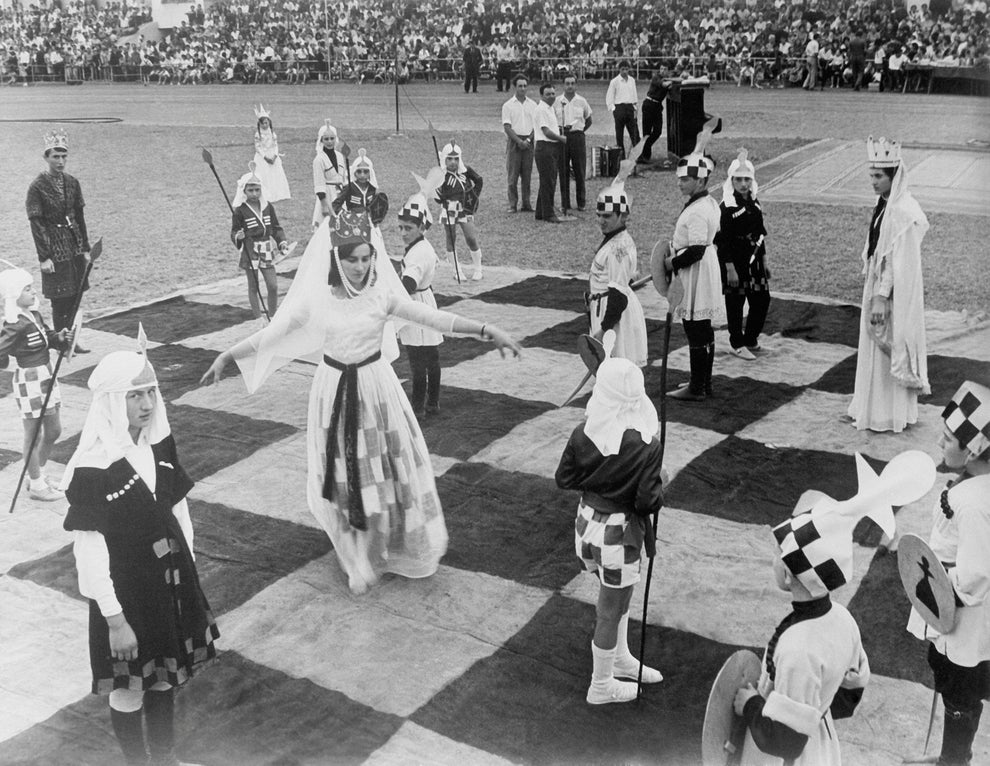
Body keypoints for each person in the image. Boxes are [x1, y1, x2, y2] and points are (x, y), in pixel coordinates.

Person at [201, 209, 522, 595]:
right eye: (352, 259)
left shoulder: (382, 296)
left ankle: (376, 546)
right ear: (337, 258)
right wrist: (227, 356)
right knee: (343, 472)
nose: (360, 266)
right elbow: (272, 334)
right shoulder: (317, 299)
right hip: (334, 390)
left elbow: (434, 318)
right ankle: (355, 550)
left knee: (380, 472)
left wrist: (488, 330)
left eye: (367, 257)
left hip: (375, 389)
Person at [62, 348, 219, 766]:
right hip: (126, 597)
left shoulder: (159, 447)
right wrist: (115, 620)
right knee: (129, 686)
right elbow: (89, 551)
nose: (147, 404)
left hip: (167, 586)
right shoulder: (94, 468)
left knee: (164, 679)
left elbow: (179, 512)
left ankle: (164, 758)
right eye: (134, 395)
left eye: (150, 391)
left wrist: (186, 577)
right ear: (112, 400)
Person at [730, 452, 909, 765]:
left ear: (788, 573)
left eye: (778, 554)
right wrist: (815, 706)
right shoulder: (843, 619)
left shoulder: (799, 649)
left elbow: (784, 741)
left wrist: (752, 705)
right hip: (821, 745)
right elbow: (852, 692)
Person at [555, 330, 665, 705]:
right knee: (609, 609)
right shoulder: (648, 444)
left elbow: (564, 478)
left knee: (618, 599)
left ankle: (620, 657)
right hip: (621, 534)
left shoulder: (582, 431)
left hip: (587, 524)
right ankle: (600, 685)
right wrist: (659, 482)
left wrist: (599, 478)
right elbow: (649, 501)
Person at [905, 381, 990, 766]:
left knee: (960, 691)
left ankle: (955, 760)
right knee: (958, 689)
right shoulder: (972, 485)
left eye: (948, 438)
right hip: (960, 613)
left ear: (973, 449)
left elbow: (975, 576)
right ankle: (951, 757)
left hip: (965, 620)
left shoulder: (972, 503)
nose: (940, 444)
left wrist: (935, 592)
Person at [847, 136, 929, 433]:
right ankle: (869, 408)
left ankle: (887, 413)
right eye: (871, 175)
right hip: (876, 282)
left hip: (890, 292)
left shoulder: (902, 210)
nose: (873, 181)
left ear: (894, 177)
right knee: (873, 348)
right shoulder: (884, 203)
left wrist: (881, 297)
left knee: (887, 346)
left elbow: (898, 260)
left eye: (878, 176)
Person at [0, 267, 73, 502]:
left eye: (31, 287)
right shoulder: (14, 324)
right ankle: (38, 485)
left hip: (46, 375)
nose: (33, 292)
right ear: (13, 295)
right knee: (33, 434)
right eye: (27, 289)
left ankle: (37, 476)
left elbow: (47, 337)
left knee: (54, 430)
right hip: (29, 379)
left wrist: (59, 338)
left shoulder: (34, 315)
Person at [661, 123, 722, 402]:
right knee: (702, 328)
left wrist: (672, 263)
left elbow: (696, 250)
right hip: (702, 269)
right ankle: (703, 382)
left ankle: (697, 386)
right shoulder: (708, 203)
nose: (679, 182)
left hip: (696, 270)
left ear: (699, 182)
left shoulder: (698, 210)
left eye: (685, 179)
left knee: (696, 329)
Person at [26, 128, 91, 351]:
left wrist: (85, 247)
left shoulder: (73, 182)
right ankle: (61, 340)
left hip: (73, 243)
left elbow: (79, 217)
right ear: (46, 158)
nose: (61, 161)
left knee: (75, 294)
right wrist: (44, 257)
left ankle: (71, 339)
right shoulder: (37, 186)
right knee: (60, 297)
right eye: (56, 156)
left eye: (64, 156)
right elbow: (37, 223)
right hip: (54, 245)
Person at [587, 166, 647, 367]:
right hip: (602, 308)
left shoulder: (618, 248)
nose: (601, 221)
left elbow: (618, 297)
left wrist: (604, 330)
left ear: (623, 216)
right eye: (599, 215)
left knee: (617, 371)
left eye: (607, 217)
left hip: (614, 319)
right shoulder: (613, 238)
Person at [715, 148, 771, 360]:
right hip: (734, 260)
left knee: (762, 299)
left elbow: (760, 233)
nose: (743, 184)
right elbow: (722, 240)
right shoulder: (726, 207)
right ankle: (736, 342)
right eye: (738, 180)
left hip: (754, 259)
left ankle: (751, 338)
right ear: (732, 181)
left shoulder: (754, 202)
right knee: (736, 302)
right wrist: (729, 268)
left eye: (747, 179)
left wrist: (764, 260)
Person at [396, 182, 443, 417]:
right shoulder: (423, 246)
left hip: (416, 304)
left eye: (408, 228)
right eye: (400, 228)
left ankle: (418, 410)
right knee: (431, 357)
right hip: (426, 300)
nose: (403, 233)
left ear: (421, 227)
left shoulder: (417, 253)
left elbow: (408, 285)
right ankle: (432, 403)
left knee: (419, 361)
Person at [231, 162, 288, 320]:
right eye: (250, 190)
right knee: (253, 286)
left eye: (257, 189)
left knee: (273, 285)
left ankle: (273, 316)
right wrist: (238, 237)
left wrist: (281, 241)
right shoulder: (240, 210)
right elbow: (234, 230)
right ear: (244, 190)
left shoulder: (267, 207)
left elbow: (276, 227)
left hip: (267, 249)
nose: (254, 193)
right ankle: (257, 319)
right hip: (251, 250)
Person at [434, 142, 485, 280]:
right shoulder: (441, 175)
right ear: (444, 159)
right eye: (449, 159)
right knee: (451, 239)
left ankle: (478, 268)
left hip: (465, 209)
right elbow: (438, 199)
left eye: (456, 158)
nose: (453, 162)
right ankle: (456, 270)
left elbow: (479, 180)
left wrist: (473, 197)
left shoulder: (466, 170)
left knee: (471, 238)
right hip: (448, 210)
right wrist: (437, 190)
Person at [556, 74, 593, 213]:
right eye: (567, 83)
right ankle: (565, 203)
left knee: (580, 170)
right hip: (562, 137)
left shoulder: (582, 101)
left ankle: (581, 202)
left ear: (576, 85)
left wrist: (580, 131)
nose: (570, 86)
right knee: (563, 170)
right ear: (563, 85)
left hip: (577, 137)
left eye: (572, 83)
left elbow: (588, 120)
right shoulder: (557, 101)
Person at [502, 74, 536, 214]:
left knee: (527, 175)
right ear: (514, 87)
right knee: (512, 176)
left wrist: (528, 140)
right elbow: (507, 127)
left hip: (529, 142)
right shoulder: (508, 105)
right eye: (520, 86)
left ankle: (526, 203)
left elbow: (536, 126)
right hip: (514, 142)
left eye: (524, 86)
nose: (522, 88)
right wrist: (518, 141)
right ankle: (513, 204)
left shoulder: (533, 105)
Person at [534, 82, 567, 224]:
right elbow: (546, 131)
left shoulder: (550, 108)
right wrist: (561, 138)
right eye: (548, 94)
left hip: (551, 147)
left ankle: (540, 211)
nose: (551, 96)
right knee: (549, 181)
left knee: (547, 180)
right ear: (542, 95)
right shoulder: (541, 109)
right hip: (545, 147)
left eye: (553, 93)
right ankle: (548, 213)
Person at [251, 104, 291, 203]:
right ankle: (266, 194)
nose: (265, 125)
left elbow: (275, 145)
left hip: (272, 155)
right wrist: (265, 157)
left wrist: (275, 155)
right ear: (259, 124)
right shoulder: (258, 134)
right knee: (265, 174)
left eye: (266, 123)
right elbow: (258, 147)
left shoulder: (272, 133)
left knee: (275, 175)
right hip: (263, 156)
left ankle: (277, 193)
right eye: (263, 123)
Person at [312, 119, 347, 229]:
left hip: (340, 194)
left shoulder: (340, 156)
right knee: (326, 225)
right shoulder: (319, 159)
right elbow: (319, 183)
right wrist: (324, 205)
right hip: (327, 194)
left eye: (332, 138)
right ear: (321, 140)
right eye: (326, 139)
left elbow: (344, 177)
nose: (329, 141)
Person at [605, 61, 640, 156]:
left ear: (629, 69)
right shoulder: (614, 81)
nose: (625, 71)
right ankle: (621, 156)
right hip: (619, 108)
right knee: (619, 134)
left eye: (626, 69)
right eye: (622, 69)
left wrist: (635, 108)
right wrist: (613, 109)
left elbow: (634, 94)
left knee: (635, 133)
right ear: (619, 69)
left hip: (630, 107)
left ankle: (637, 156)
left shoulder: (632, 80)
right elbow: (609, 97)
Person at [639, 70, 670, 165]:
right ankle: (644, 156)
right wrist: (674, 81)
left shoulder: (667, 79)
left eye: (665, 69)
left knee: (658, 131)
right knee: (646, 132)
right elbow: (664, 85)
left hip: (657, 106)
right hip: (649, 104)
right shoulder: (656, 77)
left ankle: (643, 152)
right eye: (662, 68)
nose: (663, 71)